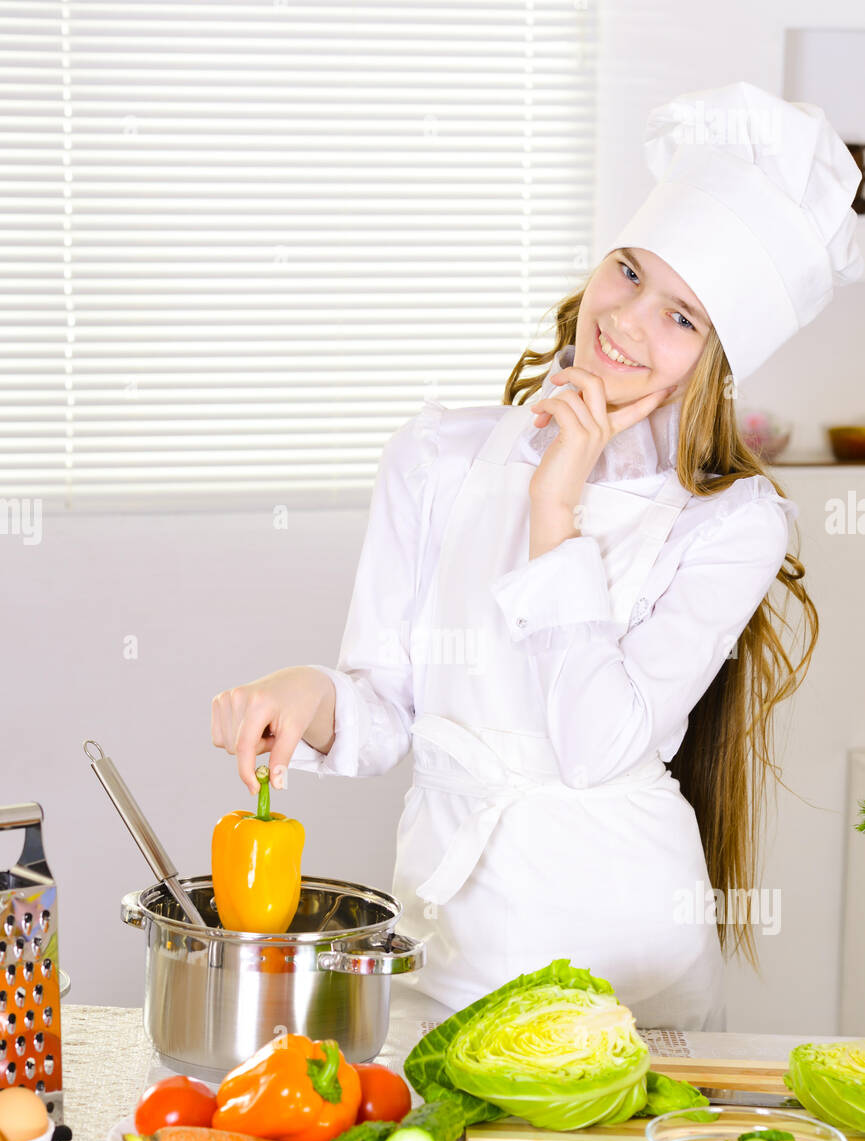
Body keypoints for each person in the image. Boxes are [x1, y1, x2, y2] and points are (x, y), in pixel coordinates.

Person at [211, 81, 863, 1029]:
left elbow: (597, 749)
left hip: (624, 963)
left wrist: (556, 501)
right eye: (628, 272)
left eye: (681, 316)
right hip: (447, 943)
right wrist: (305, 693)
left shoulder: (730, 521)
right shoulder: (436, 455)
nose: (627, 320)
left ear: (717, 357)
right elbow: (389, 707)